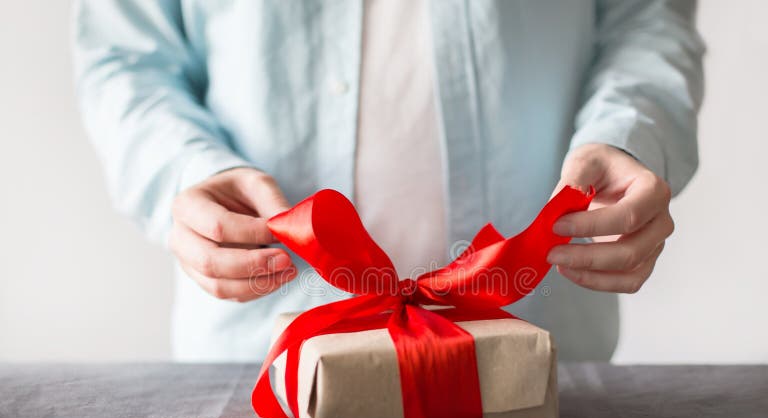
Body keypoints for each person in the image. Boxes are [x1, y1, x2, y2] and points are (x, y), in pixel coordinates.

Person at [72, 0, 704, 362]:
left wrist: (629, 136)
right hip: (261, 359)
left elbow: (647, 20)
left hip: (539, 365)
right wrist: (186, 171)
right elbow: (126, 52)